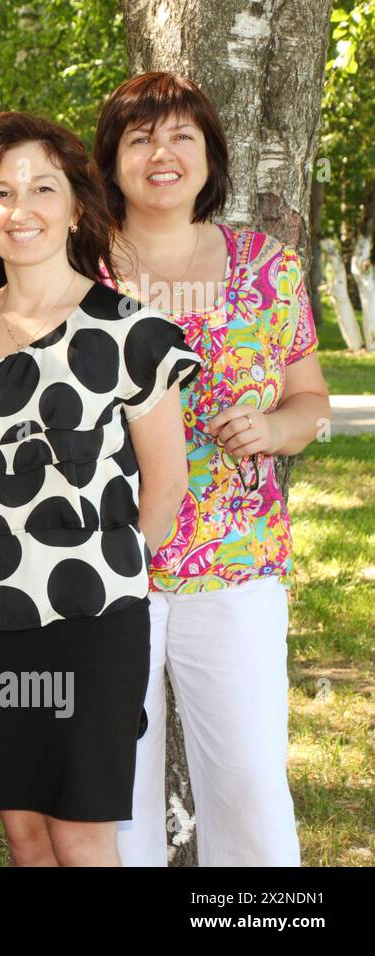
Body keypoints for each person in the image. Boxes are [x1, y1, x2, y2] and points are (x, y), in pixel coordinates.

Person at [0, 112, 198, 866]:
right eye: (2, 192)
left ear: (77, 205)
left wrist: (110, 577)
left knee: (81, 834)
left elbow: (168, 483)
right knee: (23, 833)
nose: (22, 209)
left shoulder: (130, 331)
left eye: (43, 188)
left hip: (95, 620)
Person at [93, 73, 330, 867]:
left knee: (249, 782)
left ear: (209, 156)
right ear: (111, 161)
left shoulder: (268, 268)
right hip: (104, 566)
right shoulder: (74, 273)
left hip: (236, 561)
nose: (162, 154)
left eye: (181, 137)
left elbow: (311, 402)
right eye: (139, 138)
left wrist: (272, 426)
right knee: (114, 788)